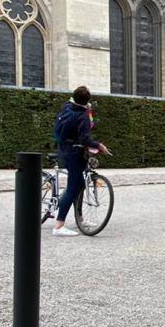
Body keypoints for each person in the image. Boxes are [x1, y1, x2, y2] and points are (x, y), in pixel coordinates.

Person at [51, 86, 110, 236]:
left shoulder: (66, 107)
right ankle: (59, 225)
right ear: (87, 100)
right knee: (73, 188)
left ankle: (80, 219)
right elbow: (85, 139)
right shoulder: (82, 115)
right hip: (75, 153)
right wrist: (99, 146)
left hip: (64, 149)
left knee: (80, 184)